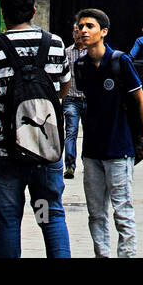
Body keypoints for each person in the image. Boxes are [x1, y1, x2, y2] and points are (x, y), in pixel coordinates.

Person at [0, 0, 71, 259]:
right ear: (34, 10)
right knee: (51, 216)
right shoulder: (55, 43)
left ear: (3, 14)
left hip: (5, 152)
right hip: (46, 151)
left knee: (9, 219)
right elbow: (63, 88)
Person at [73, 7, 143, 257]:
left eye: (90, 26)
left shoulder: (120, 61)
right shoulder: (80, 65)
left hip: (120, 149)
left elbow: (141, 101)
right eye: (81, 26)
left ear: (104, 31)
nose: (84, 30)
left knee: (122, 211)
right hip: (91, 151)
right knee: (96, 213)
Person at [62, 23, 88, 180]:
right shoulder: (66, 52)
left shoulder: (92, 52)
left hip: (88, 98)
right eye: (76, 31)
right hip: (71, 98)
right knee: (71, 132)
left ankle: (88, 162)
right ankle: (70, 165)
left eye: (81, 32)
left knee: (90, 132)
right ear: (73, 34)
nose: (79, 34)